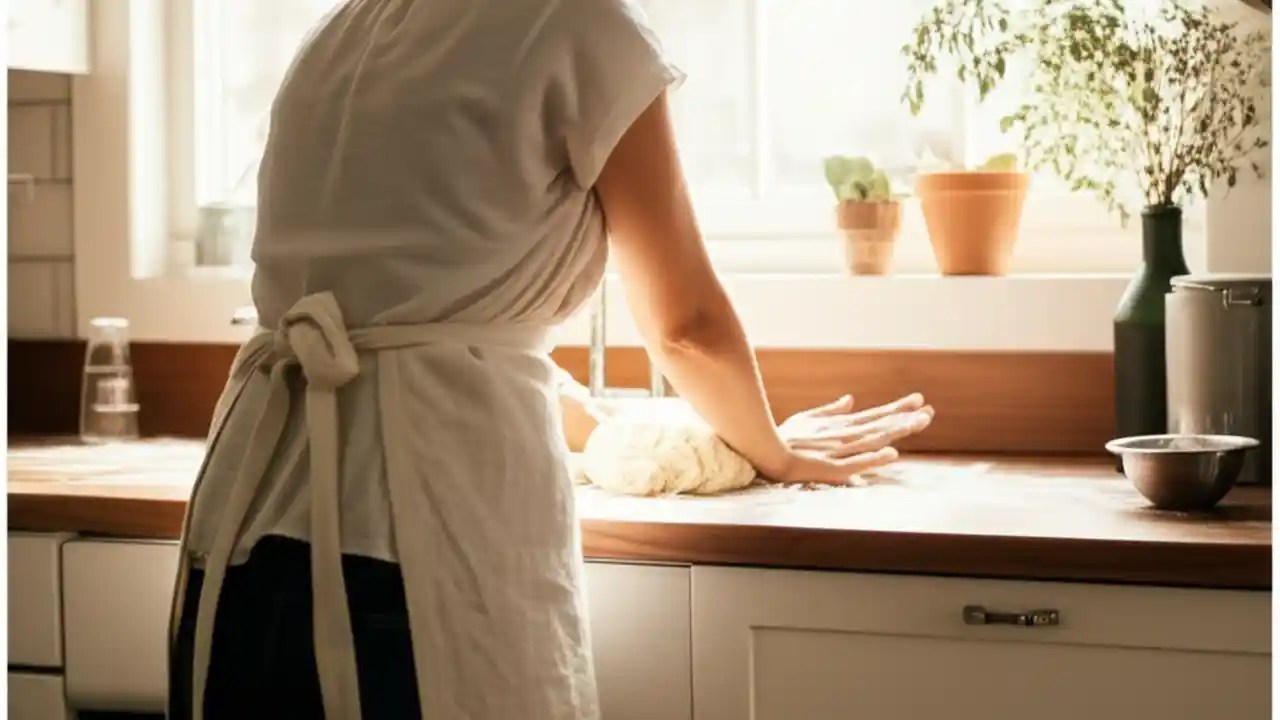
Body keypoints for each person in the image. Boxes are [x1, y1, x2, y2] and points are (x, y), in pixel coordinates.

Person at [167, 0, 935, 718]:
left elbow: (402, 319)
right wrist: (775, 450)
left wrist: (601, 428)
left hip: (236, 534)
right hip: (409, 554)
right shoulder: (577, 22)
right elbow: (686, 326)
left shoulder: (341, 33)